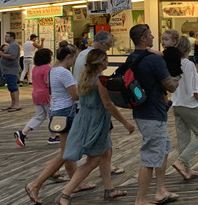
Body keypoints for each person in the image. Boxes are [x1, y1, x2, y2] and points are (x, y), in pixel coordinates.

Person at [55, 49, 135, 205]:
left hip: (84, 118)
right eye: (106, 59)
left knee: (106, 153)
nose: (108, 62)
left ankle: (109, 189)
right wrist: (126, 123)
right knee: (92, 161)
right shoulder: (100, 81)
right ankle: (66, 193)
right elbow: (107, 105)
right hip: (97, 121)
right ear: (101, 62)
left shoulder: (84, 77)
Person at [26, 45, 95, 205]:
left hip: (57, 111)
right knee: (65, 153)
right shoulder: (64, 73)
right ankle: (35, 184)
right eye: (75, 57)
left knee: (67, 150)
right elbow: (75, 95)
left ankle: (76, 183)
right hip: (66, 113)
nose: (75, 61)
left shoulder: (53, 70)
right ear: (69, 57)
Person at [127, 24, 180, 205]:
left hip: (141, 110)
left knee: (163, 149)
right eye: (150, 35)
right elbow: (170, 86)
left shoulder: (132, 58)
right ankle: (140, 200)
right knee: (150, 157)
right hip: (153, 113)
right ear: (143, 38)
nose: (153, 38)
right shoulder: (154, 60)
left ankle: (161, 190)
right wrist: (178, 78)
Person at [170, 35, 198, 181]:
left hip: (177, 103)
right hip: (189, 105)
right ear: (189, 48)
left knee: (183, 138)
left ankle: (187, 169)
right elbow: (195, 90)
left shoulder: (173, 64)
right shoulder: (188, 65)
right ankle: (182, 161)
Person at [15, 48, 59, 147]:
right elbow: (48, 82)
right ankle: (53, 136)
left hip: (36, 94)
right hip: (46, 94)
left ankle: (23, 132)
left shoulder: (35, 68)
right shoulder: (47, 68)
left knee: (39, 116)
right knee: (51, 115)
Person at [0, 32, 22, 111]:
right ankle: (13, 104)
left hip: (11, 70)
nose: (5, 38)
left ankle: (16, 104)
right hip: (7, 70)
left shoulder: (14, 45)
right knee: (11, 87)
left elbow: (12, 56)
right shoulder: (10, 45)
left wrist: (2, 54)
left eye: (7, 36)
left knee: (13, 87)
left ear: (12, 37)